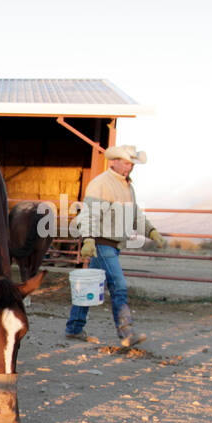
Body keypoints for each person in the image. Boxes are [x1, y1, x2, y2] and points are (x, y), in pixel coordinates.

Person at [66, 144, 166, 346]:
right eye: (126, 163)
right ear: (115, 161)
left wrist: (151, 231)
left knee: (89, 286)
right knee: (119, 287)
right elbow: (89, 213)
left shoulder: (128, 186)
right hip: (102, 243)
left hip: (113, 244)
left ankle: (74, 328)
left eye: (132, 164)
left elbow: (135, 214)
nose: (129, 168)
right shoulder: (101, 184)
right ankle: (126, 333)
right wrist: (88, 238)